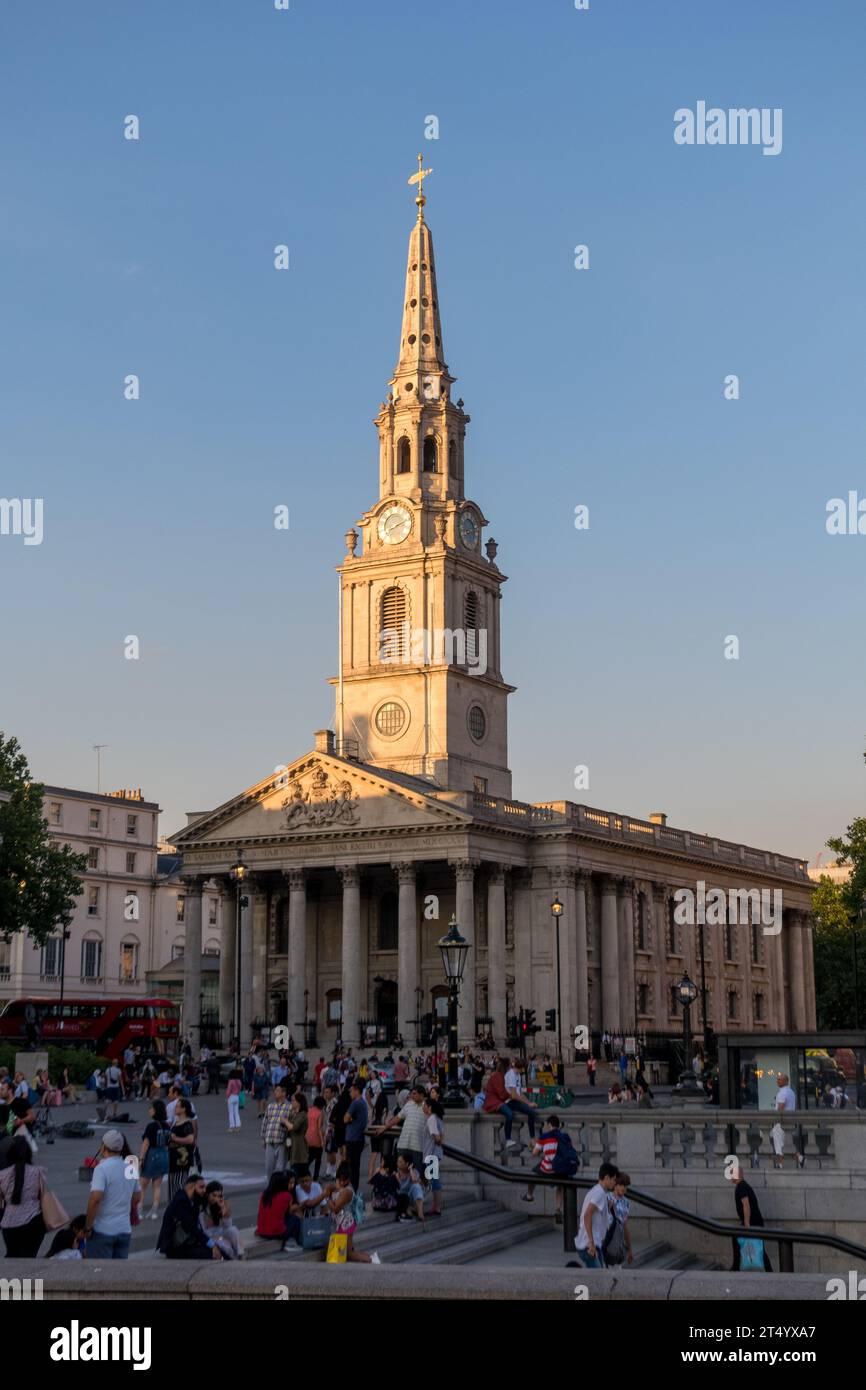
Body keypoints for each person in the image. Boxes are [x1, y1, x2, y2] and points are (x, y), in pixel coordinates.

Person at [84, 1129, 141, 1259]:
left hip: (103, 1230)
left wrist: (88, 1227)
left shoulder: (102, 1168)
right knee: (118, 1274)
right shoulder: (130, 1168)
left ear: (103, 1147)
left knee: (99, 1273)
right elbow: (137, 1196)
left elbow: (95, 1199)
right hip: (124, 1229)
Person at [157, 1172, 223, 1260]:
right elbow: (191, 1227)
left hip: (187, 1243)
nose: (204, 1190)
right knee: (210, 1255)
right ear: (191, 1187)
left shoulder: (192, 1200)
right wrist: (211, 1244)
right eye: (201, 1187)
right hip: (175, 1248)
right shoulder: (180, 1202)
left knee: (220, 1250)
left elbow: (207, 1202)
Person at [0, 1135, 47, 1256]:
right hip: (33, 1222)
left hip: (9, 1224)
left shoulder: (2, 1175)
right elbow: (42, 1196)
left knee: (12, 1255)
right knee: (29, 1257)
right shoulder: (37, 1172)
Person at [324, 1161, 376, 1262]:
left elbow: (335, 1209)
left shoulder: (347, 1191)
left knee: (348, 1254)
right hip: (342, 1222)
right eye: (339, 1180)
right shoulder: (340, 1185)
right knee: (349, 1250)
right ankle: (370, 1259)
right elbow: (335, 1188)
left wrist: (327, 1197)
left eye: (344, 1180)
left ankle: (371, 1260)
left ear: (348, 1179)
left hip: (345, 1223)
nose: (341, 1183)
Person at [727, 1160, 772, 1271]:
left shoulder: (741, 1186)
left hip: (752, 1222)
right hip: (755, 1221)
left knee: (738, 1238)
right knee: (758, 1245)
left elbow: (746, 1204)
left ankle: (735, 1267)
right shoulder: (743, 1185)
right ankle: (769, 1270)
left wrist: (747, 1223)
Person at [574, 1162, 617, 1269]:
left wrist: (607, 1206)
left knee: (598, 1278)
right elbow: (587, 1215)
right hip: (589, 1246)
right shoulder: (599, 1193)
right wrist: (591, 1243)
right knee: (598, 1280)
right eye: (614, 1180)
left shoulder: (597, 1191)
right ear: (607, 1177)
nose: (615, 1183)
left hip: (591, 1244)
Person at [522, 1114, 564, 1222]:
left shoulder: (544, 1137)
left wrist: (533, 1148)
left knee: (532, 1173)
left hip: (547, 1168)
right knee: (560, 1186)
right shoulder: (564, 1136)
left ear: (549, 1125)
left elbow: (535, 1153)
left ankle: (529, 1195)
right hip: (559, 1168)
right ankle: (558, 1209)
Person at [382, 1082, 428, 1171]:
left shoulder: (427, 1106)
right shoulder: (408, 1104)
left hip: (418, 1147)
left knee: (416, 1173)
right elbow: (397, 1118)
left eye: (414, 1094)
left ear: (421, 1095)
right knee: (401, 1172)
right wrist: (385, 1127)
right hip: (403, 1144)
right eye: (411, 1093)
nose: (411, 1095)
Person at [138, 1098, 171, 1219]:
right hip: (164, 1154)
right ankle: (154, 1211)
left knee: (142, 1184)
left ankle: (139, 1210)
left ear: (156, 1111)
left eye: (151, 1108)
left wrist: (141, 1159)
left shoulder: (151, 1126)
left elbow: (146, 1143)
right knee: (157, 1185)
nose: (149, 1110)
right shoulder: (167, 1126)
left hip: (152, 1155)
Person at [201, 1181, 243, 1260]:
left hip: (221, 1232)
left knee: (233, 1230)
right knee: (226, 1246)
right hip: (210, 1236)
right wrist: (219, 1237)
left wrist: (224, 1211)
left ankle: (240, 1255)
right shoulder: (202, 1208)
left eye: (219, 1196)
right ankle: (233, 1260)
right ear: (207, 1194)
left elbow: (228, 1226)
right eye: (213, 1195)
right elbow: (203, 1231)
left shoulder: (220, 1204)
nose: (216, 1198)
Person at [261, 1082, 292, 1178]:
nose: (275, 1092)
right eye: (275, 1090)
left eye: (277, 1090)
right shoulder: (271, 1106)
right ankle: (271, 1187)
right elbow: (265, 1122)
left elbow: (291, 1125)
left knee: (280, 1168)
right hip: (269, 1141)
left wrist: (289, 1143)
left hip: (282, 1142)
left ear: (284, 1093)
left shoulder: (289, 1107)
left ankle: (279, 1189)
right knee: (269, 1167)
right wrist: (262, 1138)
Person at [603, 1172, 634, 1267]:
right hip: (606, 1237)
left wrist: (629, 1249)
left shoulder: (626, 1202)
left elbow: (625, 1225)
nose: (623, 1188)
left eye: (625, 1186)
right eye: (621, 1185)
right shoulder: (607, 1197)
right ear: (615, 1185)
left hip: (618, 1240)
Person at [168, 1099, 196, 1199]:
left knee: (179, 1182)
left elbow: (190, 1139)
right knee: (173, 1182)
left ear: (184, 1109)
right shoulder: (177, 1122)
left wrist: (175, 1139)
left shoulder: (187, 1123)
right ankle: (173, 1205)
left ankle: (181, 1204)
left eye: (177, 1106)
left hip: (182, 1158)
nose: (175, 1108)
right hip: (174, 1157)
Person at [344, 1081, 368, 1194]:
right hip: (359, 1137)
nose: (350, 1092)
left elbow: (345, 1118)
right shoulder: (363, 1103)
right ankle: (354, 1187)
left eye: (351, 1090)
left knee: (351, 1166)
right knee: (355, 1165)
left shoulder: (355, 1103)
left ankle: (351, 1189)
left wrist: (350, 1119)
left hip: (353, 1138)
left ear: (356, 1091)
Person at [422, 1096, 444, 1216]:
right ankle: (436, 1206)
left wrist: (439, 1140)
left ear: (429, 1107)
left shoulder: (431, 1119)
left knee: (434, 1181)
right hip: (435, 1153)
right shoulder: (438, 1118)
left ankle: (437, 1207)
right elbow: (442, 1135)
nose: (423, 1107)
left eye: (424, 1105)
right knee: (434, 1180)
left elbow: (437, 1137)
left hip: (431, 1153)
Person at [394, 1154, 425, 1224]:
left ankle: (420, 1213)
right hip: (402, 1199)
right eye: (398, 1161)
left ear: (407, 1164)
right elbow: (400, 1190)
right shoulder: (396, 1174)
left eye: (400, 1162)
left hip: (412, 1197)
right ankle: (412, 1209)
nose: (398, 1164)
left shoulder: (414, 1172)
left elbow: (415, 1181)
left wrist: (410, 1169)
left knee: (416, 1186)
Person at [286, 1092, 310, 1175]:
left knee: (299, 1169)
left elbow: (294, 1127)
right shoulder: (293, 1114)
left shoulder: (302, 1114)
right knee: (294, 1166)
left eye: (293, 1101)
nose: (291, 1102)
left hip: (299, 1145)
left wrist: (284, 1120)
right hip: (291, 1143)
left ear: (299, 1103)